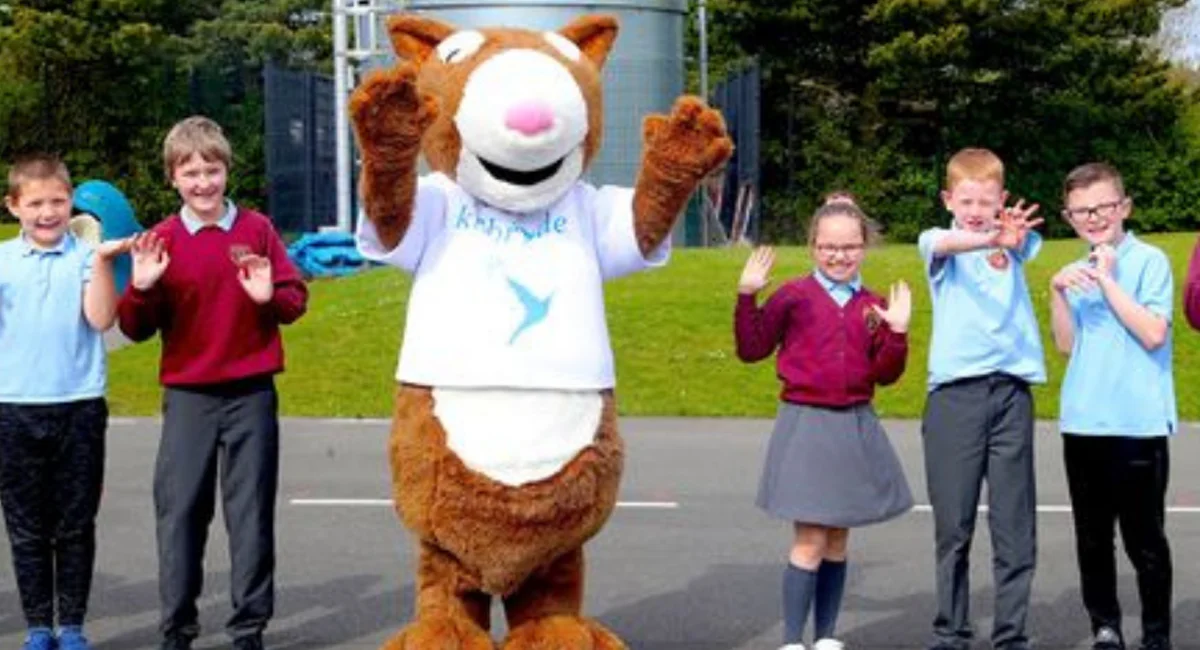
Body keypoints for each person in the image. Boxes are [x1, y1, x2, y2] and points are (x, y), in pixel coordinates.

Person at [116, 116, 308, 650]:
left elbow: (295, 302)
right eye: (191, 172)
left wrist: (271, 296)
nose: (203, 182)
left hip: (250, 395)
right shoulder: (161, 240)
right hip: (189, 398)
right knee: (180, 517)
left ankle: (248, 629)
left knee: (249, 519)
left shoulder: (257, 230)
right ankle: (177, 629)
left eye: (212, 170)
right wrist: (142, 287)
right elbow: (134, 328)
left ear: (227, 171)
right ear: (173, 177)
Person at [735, 201, 913, 650]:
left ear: (864, 247)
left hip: (854, 424)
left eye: (850, 246)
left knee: (837, 537)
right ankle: (794, 640)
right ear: (814, 246)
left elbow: (886, 374)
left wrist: (898, 332)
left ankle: (827, 637)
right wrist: (746, 296)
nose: (839, 255)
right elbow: (752, 348)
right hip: (807, 425)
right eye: (829, 246)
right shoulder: (793, 296)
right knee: (811, 537)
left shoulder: (873, 303)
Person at [0, 154, 132, 650]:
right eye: (35, 202)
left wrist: (100, 261)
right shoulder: (3, 262)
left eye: (58, 200)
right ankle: (38, 626)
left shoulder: (86, 255)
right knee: (27, 528)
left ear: (70, 202)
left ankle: (72, 625)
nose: (48, 212)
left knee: (75, 524)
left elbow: (100, 319)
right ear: (14, 206)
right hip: (13, 409)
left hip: (78, 406)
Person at [917, 147, 1045, 650]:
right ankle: (952, 631)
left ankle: (1012, 634)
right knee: (955, 525)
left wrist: (1006, 236)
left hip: (1011, 394)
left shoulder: (1011, 241)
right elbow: (949, 243)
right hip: (955, 398)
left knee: (1015, 526)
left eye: (986, 200)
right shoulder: (938, 242)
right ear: (949, 198)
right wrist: (989, 235)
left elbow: (1022, 243)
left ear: (1000, 200)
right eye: (966, 199)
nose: (975, 208)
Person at [1049, 162, 1174, 650]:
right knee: (1093, 539)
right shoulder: (1077, 270)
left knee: (1146, 541)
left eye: (1102, 207)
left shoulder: (1149, 260)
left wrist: (1108, 281)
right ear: (1070, 217)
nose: (1094, 218)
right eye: (1081, 211)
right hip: (1084, 422)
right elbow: (1065, 344)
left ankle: (1156, 634)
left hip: (1137, 424)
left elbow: (1153, 332)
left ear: (1123, 207)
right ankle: (1105, 625)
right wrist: (1058, 291)